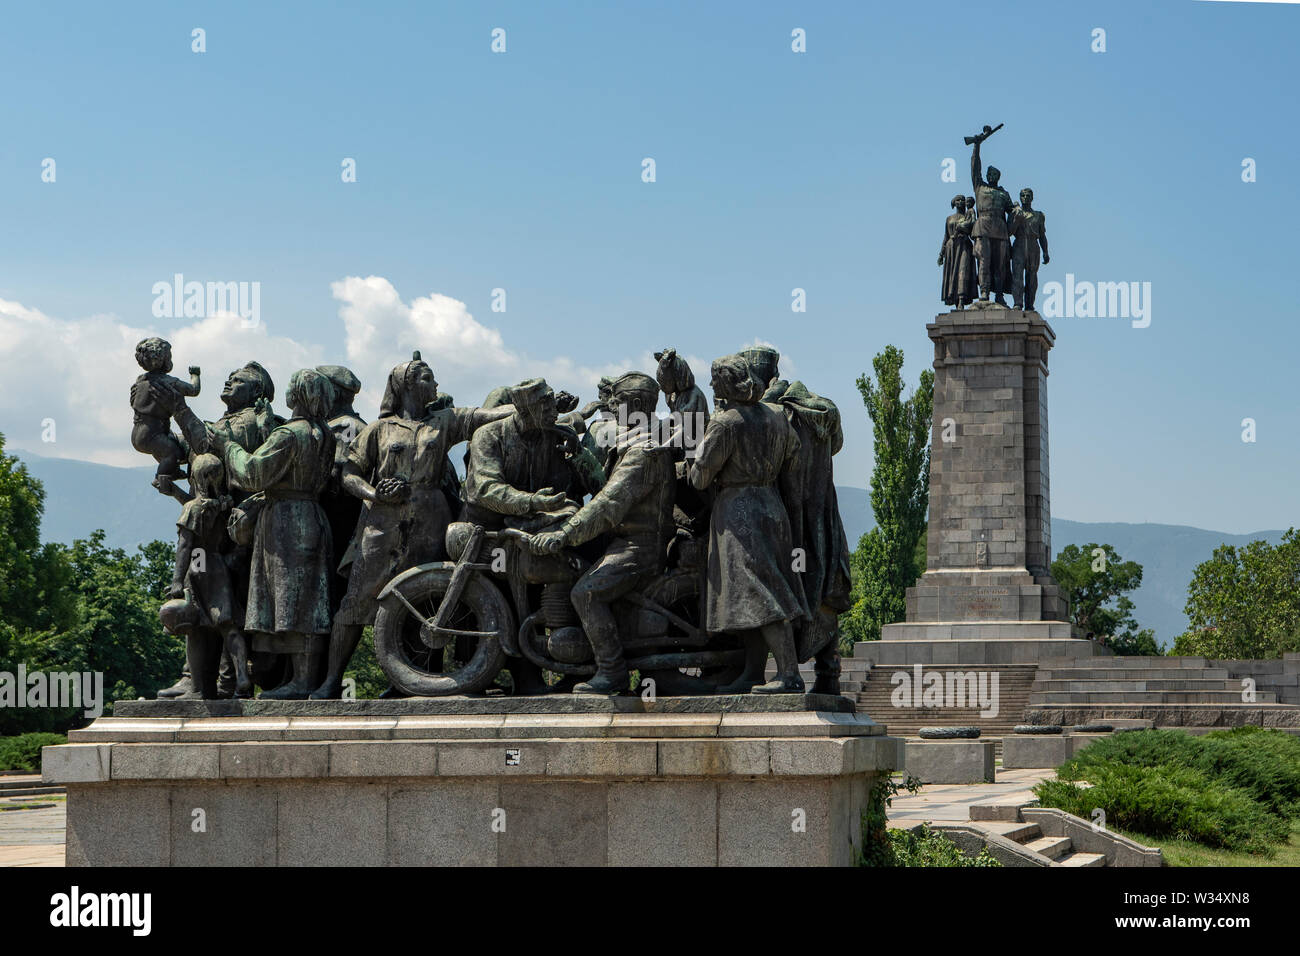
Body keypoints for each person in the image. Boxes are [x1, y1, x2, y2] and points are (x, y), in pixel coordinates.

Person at [311, 353, 514, 699]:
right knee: (357, 601)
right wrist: (376, 493)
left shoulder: (446, 420)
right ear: (406, 385)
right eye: (427, 378)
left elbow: (490, 415)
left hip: (430, 517)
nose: (435, 384)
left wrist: (529, 404)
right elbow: (350, 473)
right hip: (382, 522)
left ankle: (412, 683)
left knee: (426, 598)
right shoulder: (378, 429)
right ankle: (332, 681)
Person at [529, 373, 676, 694]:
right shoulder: (636, 442)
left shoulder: (645, 450)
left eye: (617, 402)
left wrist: (565, 533)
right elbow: (603, 489)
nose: (610, 406)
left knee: (587, 593)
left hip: (639, 547)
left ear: (636, 405)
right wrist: (578, 455)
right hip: (621, 541)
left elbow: (609, 503)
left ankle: (613, 673)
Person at [461, 377, 606, 693]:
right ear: (525, 409)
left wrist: (579, 455)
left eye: (553, 402)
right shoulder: (489, 436)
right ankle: (505, 676)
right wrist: (532, 501)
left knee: (578, 570)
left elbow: (598, 488)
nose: (554, 410)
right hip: (493, 535)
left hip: (542, 532)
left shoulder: (557, 437)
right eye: (545, 404)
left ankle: (576, 666)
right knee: (499, 605)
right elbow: (484, 488)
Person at [208, 369, 336, 700]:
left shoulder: (288, 435)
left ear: (294, 396)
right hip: (313, 517)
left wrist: (229, 446)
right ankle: (302, 678)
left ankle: (301, 681)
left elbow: (252, 474)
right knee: (309, 601)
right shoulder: (322, 432)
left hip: (286, 522)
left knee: (292, 602)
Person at [689, 354, 808, 694]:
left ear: (726, 384)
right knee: (750, 595)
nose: (711, 386)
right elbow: (794, 453)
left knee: (759, 590)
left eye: (715, 381)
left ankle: (789, 674)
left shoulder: (727, 422)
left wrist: (691, 467)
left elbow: (700, 477)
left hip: (739, 513)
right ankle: (753, 673)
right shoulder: (776, 416)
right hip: (772, 506)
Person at [161, 453, 252, 698]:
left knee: (196, 630)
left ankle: (197, 688)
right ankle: (243, 678)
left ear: (197, 477)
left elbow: (185, 546)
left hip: (198, 567)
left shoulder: (193, 508)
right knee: (229, 626)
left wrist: (177, 581)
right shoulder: (226, 506)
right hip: (219, 566)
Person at [130, 337, 205, 495]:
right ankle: (160, 477)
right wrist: (195, 374)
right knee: (172, 452)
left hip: (137, 432)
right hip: (152, 433)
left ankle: (173, 470)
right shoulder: (169, 382)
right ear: (163, 359)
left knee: (168, 446)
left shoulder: (140, 381)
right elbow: (193, 389)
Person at [970, 135, 1014, 305]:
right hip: (982, 228)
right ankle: (984, 292)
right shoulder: (979, 187)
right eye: (989, 173)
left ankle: (1000, 294)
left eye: (995, 173)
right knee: (984, 263)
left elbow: (1013, 211)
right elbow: (975, 168)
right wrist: (977, 146)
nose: (991, 175)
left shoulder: (1004, 194)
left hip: (1000, 230)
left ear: (998, 176)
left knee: (1000, 266)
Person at [1009, 187, 1050, 311]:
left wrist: (1046, 251)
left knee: (1032, 277)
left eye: (1028, 196)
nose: (1025, 198)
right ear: (1020, 198)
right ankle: (1018, 303)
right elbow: (1009, 231)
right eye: (1023, 196)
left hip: (1033, 245)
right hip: (1019, 244)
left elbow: (1042, 235)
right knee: (1017, 276)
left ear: (1032, 198)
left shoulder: (1039, 215)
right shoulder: (1015, 213)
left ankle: (1029, 304)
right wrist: (1017, 219)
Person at [938, 195, 978, 309]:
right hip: (951, 247)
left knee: (963, 270)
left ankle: (961, 298)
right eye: (958, 200)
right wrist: (941, 254)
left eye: (962, 200)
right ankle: (955, 299)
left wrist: (964, 228)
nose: (960, 202)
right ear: (954, 203)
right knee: (952, 274)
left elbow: (973, 230)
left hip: (964, 245)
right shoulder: (949, 218)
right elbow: (945, 237)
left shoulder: (969, 215)